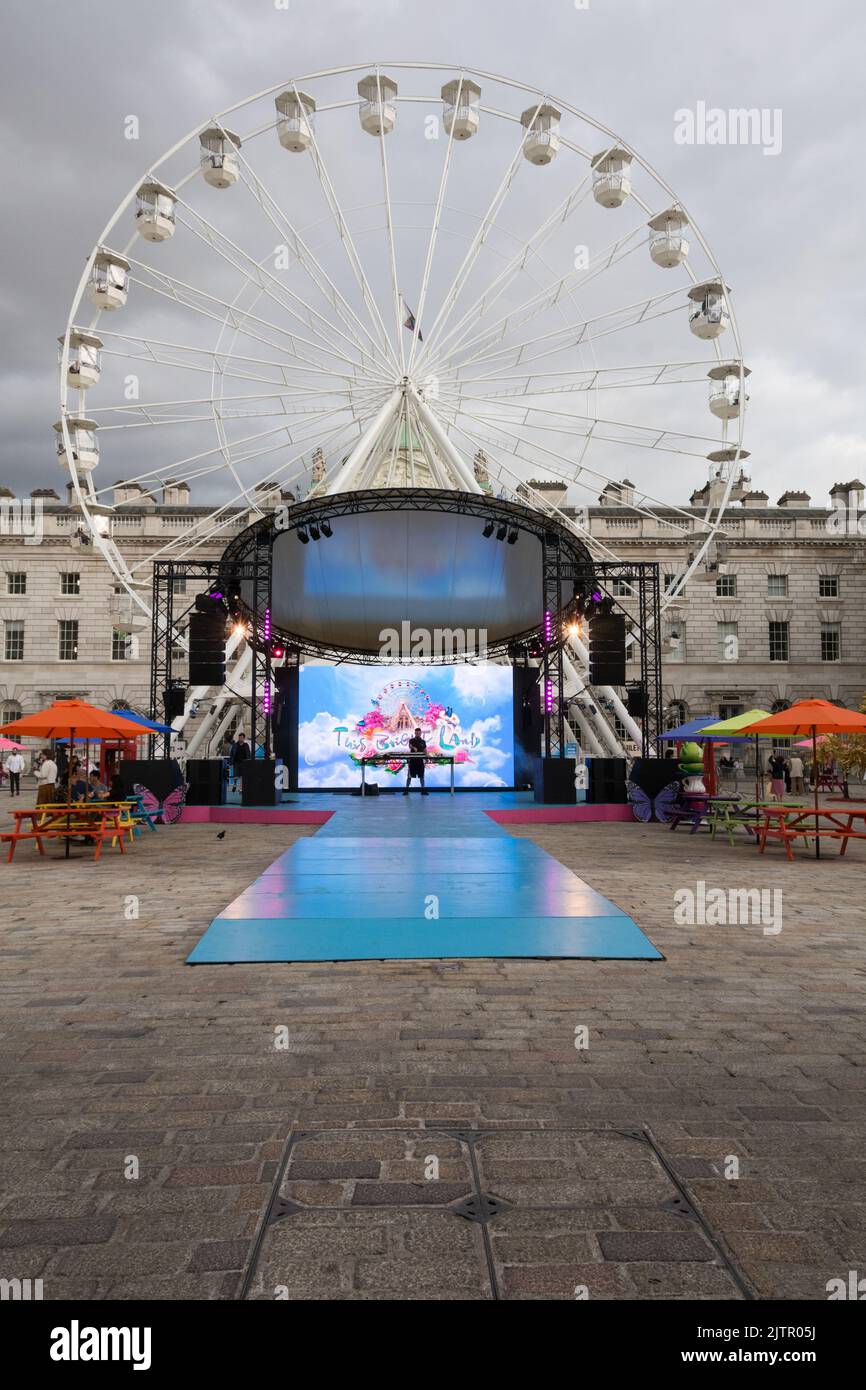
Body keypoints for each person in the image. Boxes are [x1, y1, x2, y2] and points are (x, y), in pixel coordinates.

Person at [404, 727, 429, 796]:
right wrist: (413, 747)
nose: (418, 734)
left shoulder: (423, 741)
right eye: (416, 733)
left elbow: (425, 750)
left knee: (422, 776)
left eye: (419, 733)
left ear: (421, 733)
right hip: (412, 761)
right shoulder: (411, 740)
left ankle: (423, 790)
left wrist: (427, 757)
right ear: (415, 733)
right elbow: (410, 746)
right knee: (409, 776)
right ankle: (406, 790)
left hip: (420, 761)